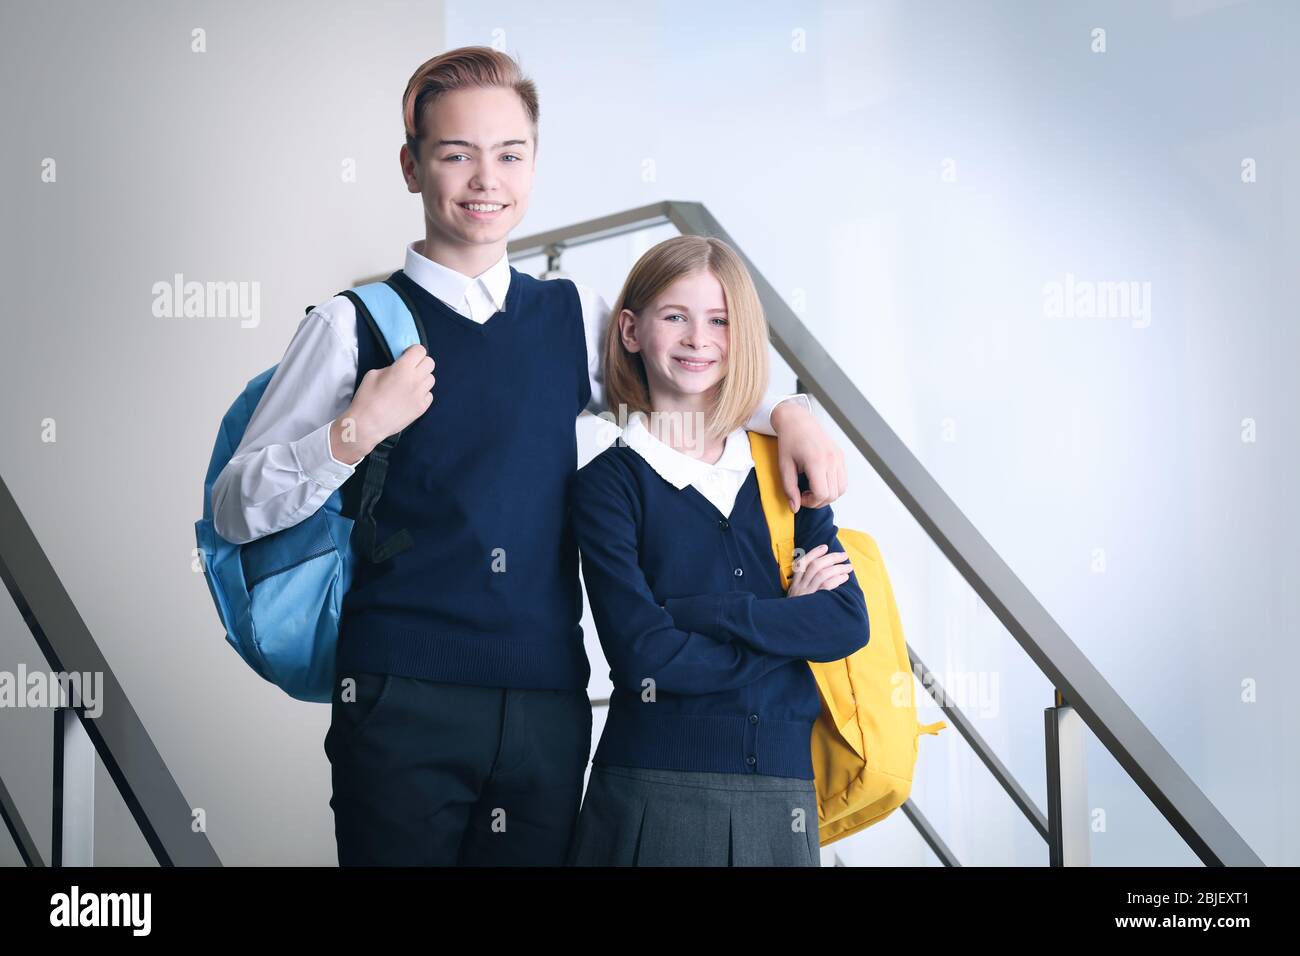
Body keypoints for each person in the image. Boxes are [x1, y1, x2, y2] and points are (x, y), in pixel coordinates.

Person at [209, 46, 847, 866]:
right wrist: (355, 431)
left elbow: (685, 362)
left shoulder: (570, 314)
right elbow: (234, 505)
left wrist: (790, 410)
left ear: (533, 165)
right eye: (455, 154)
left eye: (509, 155)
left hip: (547, 702)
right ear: (411, 167)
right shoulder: (350, 326)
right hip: (400, 695)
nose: (485, 180)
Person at [567, 235, 870, 866]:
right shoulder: (607, 483)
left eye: (720, 320)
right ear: (629, 330)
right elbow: (647, 662)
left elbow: (845, 621)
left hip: (785, 797)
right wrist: (788, 621)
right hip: (655, 790)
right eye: (675, 315)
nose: (698, 338)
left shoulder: (782, 467)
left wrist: (706, 614)